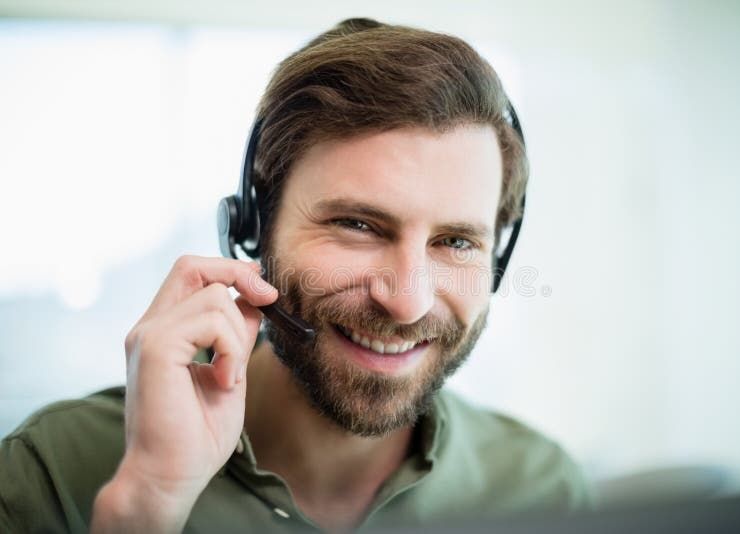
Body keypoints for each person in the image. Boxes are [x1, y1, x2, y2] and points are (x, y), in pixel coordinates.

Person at [0, 18, 590, 533]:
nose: (407, 302)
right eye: (358, 224)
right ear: (254, 229)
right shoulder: (49, 473)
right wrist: (148, 500)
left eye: (457, 241)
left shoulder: (546, 489)